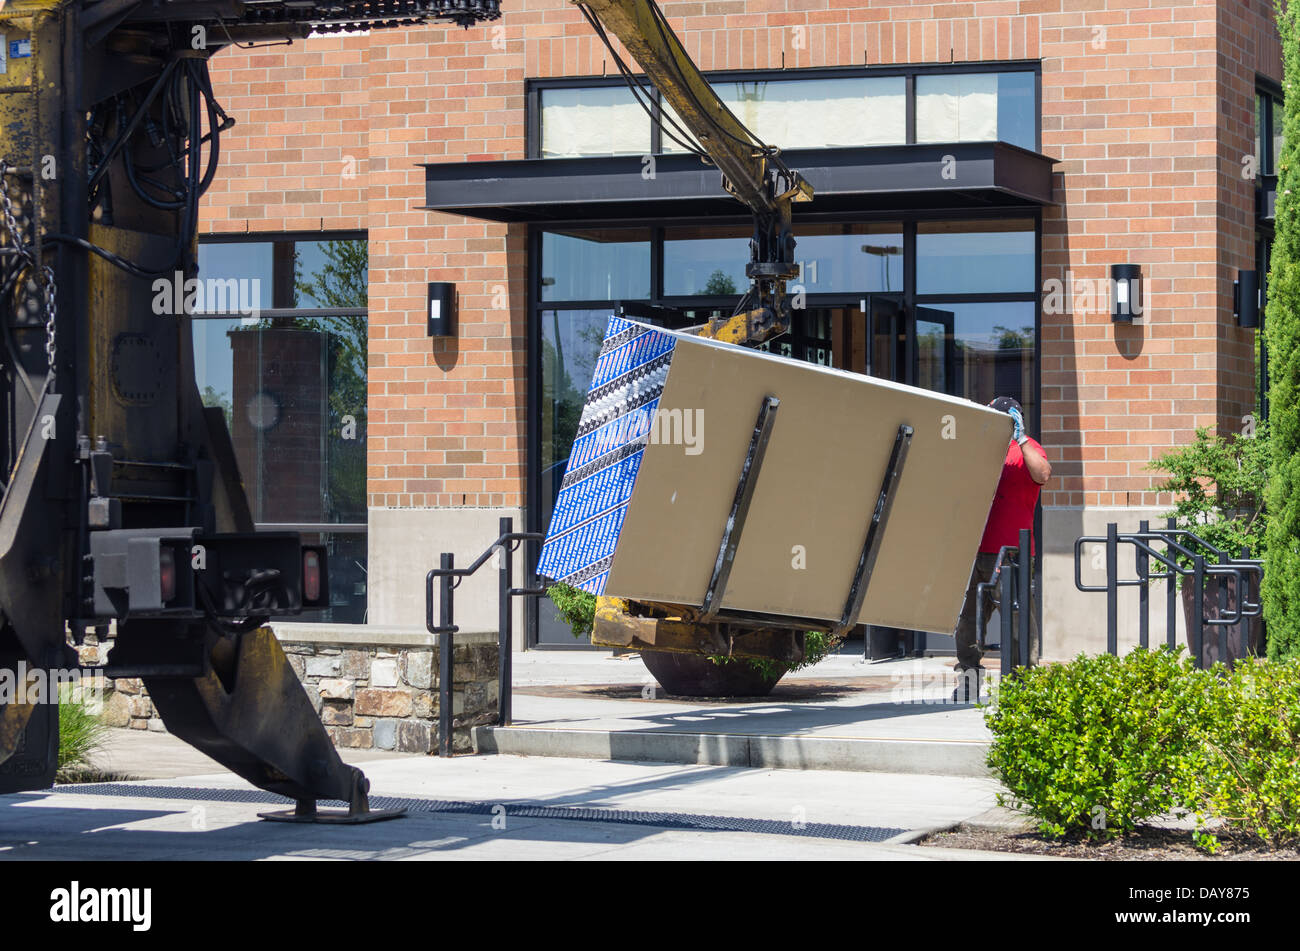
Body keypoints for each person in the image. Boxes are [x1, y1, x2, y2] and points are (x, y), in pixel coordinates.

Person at [952, 396, 1051, 701]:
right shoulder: (979, 448)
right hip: (974, 549)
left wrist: (1020, 438)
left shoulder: (1028, 449)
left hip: (1013, 553)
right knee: (968, 621)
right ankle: (968, 681)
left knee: (1020, 621)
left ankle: (1023, 684)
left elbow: (1043, 474)